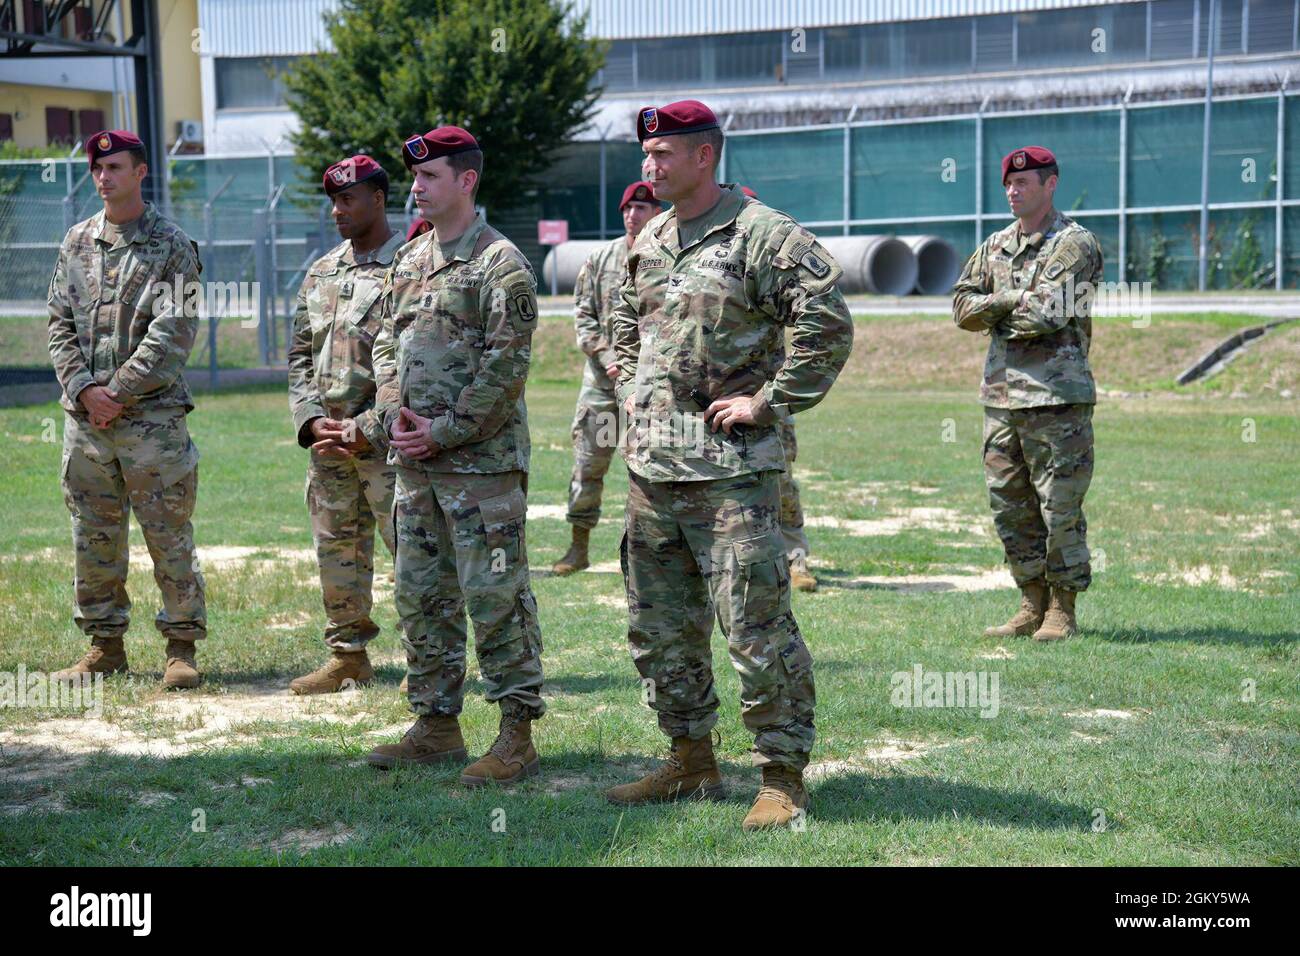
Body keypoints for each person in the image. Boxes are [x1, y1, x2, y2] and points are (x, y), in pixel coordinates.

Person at [604, 101, 854, 830]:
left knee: (755, 625)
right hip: (653, 471)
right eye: (646, 156)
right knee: (660, 629)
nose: (651, 168)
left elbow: (826, 321)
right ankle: (690, 759)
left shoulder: (763, 235)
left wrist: (770, 401)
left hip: (731, 477)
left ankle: (782, 776)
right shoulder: (651, 237)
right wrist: (628, 387)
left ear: (705, 156)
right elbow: (627, 318)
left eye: (665, 155)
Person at [365, 126, 546, 786]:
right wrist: (392, 411)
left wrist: (441, 432)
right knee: (421, 597)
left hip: (481, 470)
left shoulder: (501, 265)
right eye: (414, 177)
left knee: (494, 596)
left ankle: (516, 736)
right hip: (414, 469)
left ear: (466, 182)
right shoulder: (409, 261)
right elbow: (386, 344)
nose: (415, 187)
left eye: (430, 176)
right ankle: (437, 726)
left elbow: (507, 368)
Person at [47, 130, 206, 689]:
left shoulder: (173, 245)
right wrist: (86, 390)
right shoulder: (76, 241)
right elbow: (58, 323)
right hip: (87, 425)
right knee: (93, 536)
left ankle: (181, 648)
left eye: (114, 166)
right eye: (96, 167)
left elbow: (174, 332)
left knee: (168, 534)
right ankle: (103, 645)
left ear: (140, 171)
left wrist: (118, 392)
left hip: (152, 424)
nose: (103, 176)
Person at [952, 145, 1103, 642]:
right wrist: (1012, 297)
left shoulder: (1074, 244)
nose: (1014, 191)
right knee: (1010, 507)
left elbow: (1048, 314)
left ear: (1051, 184)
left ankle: (1063, 608)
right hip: (1000, 399)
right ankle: (1030, 601)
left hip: (1056, 398)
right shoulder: (995, 244)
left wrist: (994, 308)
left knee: (1059, 507)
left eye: (1025, 183)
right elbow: (960, 308)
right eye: (1009, 185)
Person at [287, 155, 403, 694]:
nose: (338, 210)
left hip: (387, 443)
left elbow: (414, 359)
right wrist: (310, 421)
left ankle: (428, 659)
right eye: (333, 200)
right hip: (328, 444)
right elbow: (299, 355)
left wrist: (370, 425)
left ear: (378, 198)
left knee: (412, 553)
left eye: (348, 198)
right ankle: (348, 658)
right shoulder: (323, 270)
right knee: (337, 553)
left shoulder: (409, 266)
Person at [552, 180, 660, 575]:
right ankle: (578, 547)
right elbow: (583, 317)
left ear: (657, 213)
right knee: (588, 466)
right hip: (603, 388)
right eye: (628, 209)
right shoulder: (600, 260)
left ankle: (648, 556)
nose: (633, 215)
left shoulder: (668, 258)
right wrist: (608, 357)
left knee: (650, 472)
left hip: (650, 391)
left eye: (642, 209)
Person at [738, 186, 817, 594]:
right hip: (720, 401)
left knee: (782, 480)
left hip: (767, 397)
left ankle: (796, 558)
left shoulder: (769, 256)